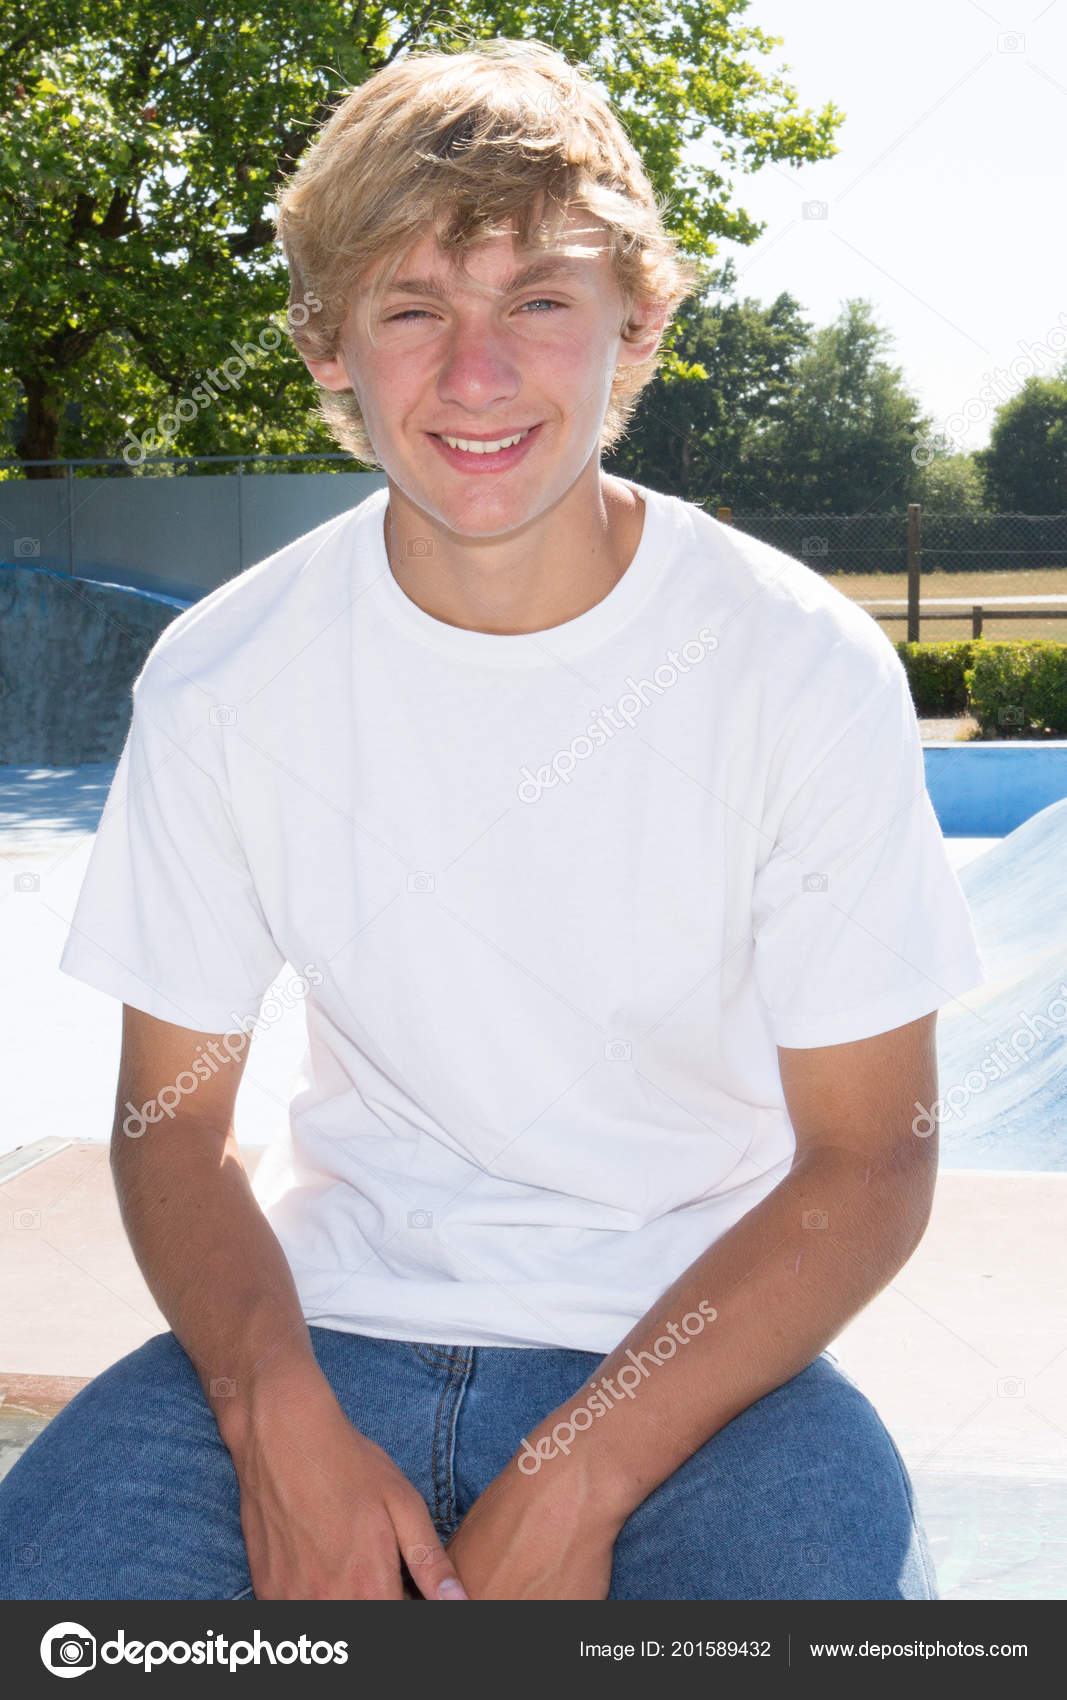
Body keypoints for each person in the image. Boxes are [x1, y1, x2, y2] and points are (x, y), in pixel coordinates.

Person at [0, 37, 985, 1603]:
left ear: (635, 322)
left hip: (696, 1365)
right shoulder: (228, 677)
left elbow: (872, 1159)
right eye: (411, 309)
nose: (475, 376)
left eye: (536, 301)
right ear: (329, 344)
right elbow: (170, 1119)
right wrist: (274, 1420)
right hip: (323, 1334)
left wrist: (581, 1468)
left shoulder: (797, 668)